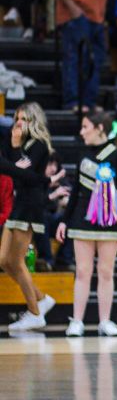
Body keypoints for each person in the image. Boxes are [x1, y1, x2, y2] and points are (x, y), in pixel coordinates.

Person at [57, 110, 117, 337]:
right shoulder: (83, 154)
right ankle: (77, 321)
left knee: (106, 272)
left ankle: (105, 321)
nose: (81, 132)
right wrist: (64, 221)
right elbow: (75, 192)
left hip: (110, 221)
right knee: (82, 271)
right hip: (82, 220)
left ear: (100, 129)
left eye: (85, 127)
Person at [0, 104, 55, 333]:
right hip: (18, 203)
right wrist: (13, 155)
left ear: (34, 121)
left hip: (30, 207)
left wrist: (11, 162)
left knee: (18, 260)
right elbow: (20, 173)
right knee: (4, 261)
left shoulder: (39, 145)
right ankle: (41, 299)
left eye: (24, 119)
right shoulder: (19, 143)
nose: (19, 123)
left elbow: (20, 173)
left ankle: (35, 313)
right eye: (17, 118)